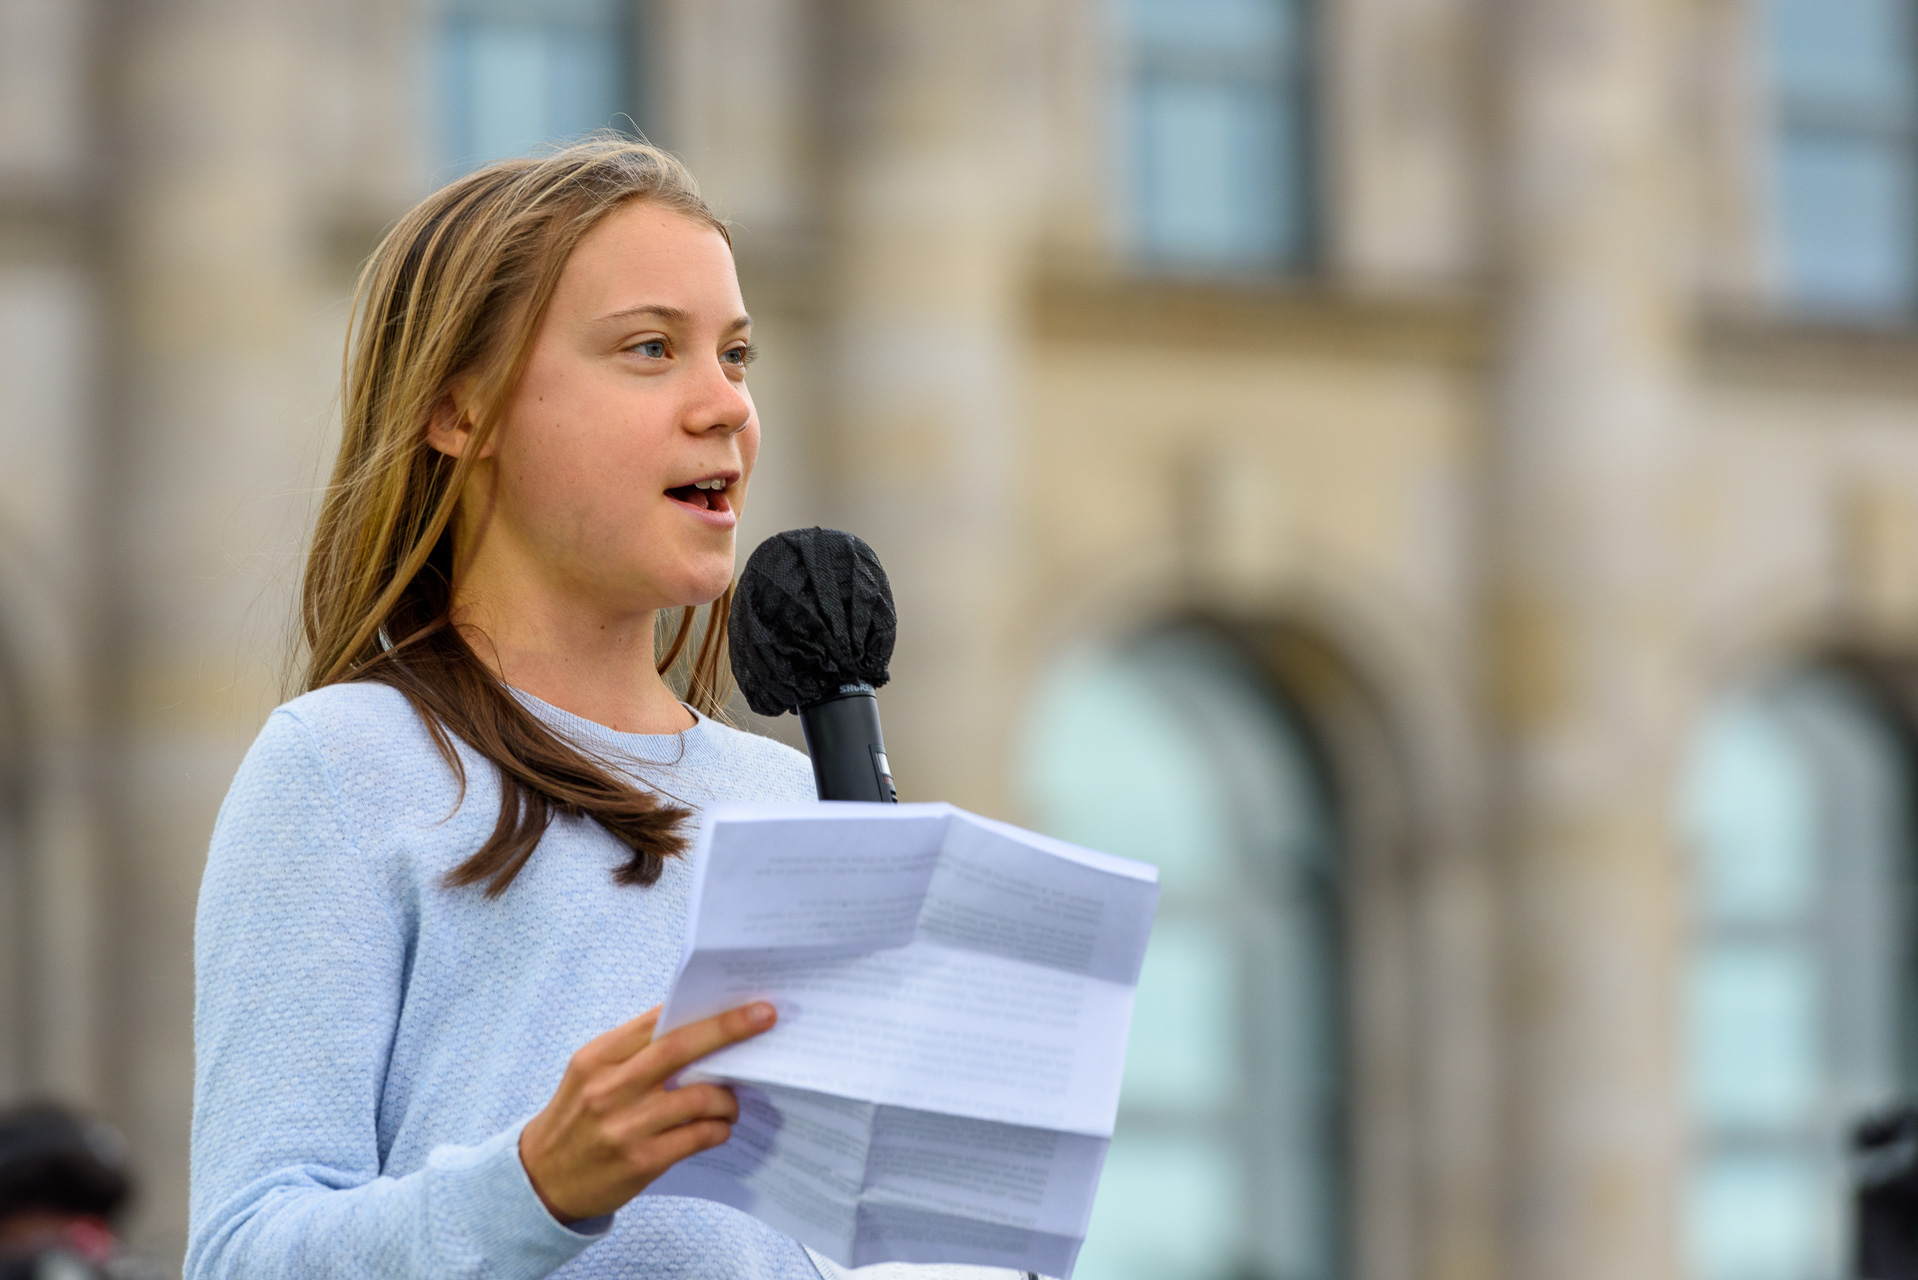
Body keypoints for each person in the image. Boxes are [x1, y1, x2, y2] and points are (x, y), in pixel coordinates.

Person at [188, 135, 946, 1280]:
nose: (725, 407)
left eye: (737, 355)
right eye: (651, 348)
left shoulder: (796, 795)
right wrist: (537, 1182)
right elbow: (244, 1251)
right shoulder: (344, 766)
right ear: (463, 409)